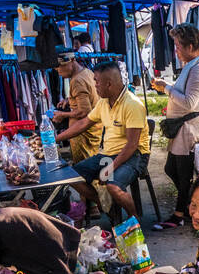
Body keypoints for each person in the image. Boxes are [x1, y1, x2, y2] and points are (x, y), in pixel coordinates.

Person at [56, 60, 150, 222]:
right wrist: (55, 138)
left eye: (97, 82)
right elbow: (84, 123)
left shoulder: (132, 104)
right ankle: (108, 207)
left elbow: (131, 145)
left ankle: (133, 221)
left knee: (113, 186)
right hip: (108, 154)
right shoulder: (103, 102)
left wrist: (110, 168)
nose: (95, 85)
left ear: (109, 84)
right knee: (71, 176)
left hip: (134, 155)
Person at [150, 24, 199, 231]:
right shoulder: (193, 64)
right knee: (171, 169)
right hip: (183, 129)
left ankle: (180, 214)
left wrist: (166, 88)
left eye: (179, 47)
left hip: (191, 130)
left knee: (182, 174)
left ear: (191, 46)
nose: (176, 51)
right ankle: (195, 203)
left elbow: (189, 102)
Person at [53, 50, 100, 164]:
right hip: (93, 129)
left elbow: (84, 112)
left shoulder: (77, 81)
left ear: (72, 61)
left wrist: (62, 115)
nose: (58, 71)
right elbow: (89, 96)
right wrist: (70, 100)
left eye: (60, 67)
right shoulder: (87, 72)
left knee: (83, 170)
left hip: (82, 134)